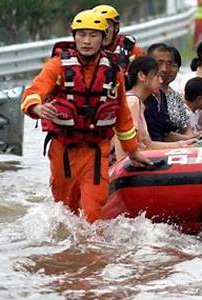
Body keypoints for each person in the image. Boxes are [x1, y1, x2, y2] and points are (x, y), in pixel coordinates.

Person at [20, 10, 150, 223]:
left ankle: (94, 253)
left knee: (93, 212)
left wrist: (133, 152)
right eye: (81, 35)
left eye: (93, 35)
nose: (86, 41)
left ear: (103, 38)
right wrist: (37, 108)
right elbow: (35, 90)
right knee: (66, 213)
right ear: (74, 37)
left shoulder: (113, 71)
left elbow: (122, 115)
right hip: (64, 149)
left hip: (97, 150)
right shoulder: (57, 65)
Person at [112, 56, 196, 161]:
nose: (161, 80)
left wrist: (182, 144)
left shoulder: (139, 103)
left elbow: (149, 145)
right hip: (130, 167)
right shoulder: (132, 101)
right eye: (157, 76)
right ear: (142, 76)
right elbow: (125, 148)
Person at [144, 44, 200, 142]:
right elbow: (161, 135)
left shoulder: (174, 96)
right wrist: (187, 139)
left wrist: (192, 139)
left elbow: (185, 128)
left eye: (169, 64)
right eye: (159, 63)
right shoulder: (144, 97)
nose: (164, 69)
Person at [92, 4, 146, 72]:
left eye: (107, 27)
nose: (104, 33)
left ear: (116, 28)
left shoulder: (134, 52)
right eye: (98, 28)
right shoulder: (82, 56)